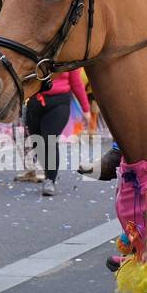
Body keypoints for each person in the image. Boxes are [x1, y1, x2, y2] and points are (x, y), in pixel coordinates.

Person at [25, 68, 90, 197]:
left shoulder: (67, 55)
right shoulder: (34, 53)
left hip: (59, 103)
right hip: (34, 101)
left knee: (49, 139)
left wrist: (86, 109)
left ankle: (50, 180)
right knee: (37, 142)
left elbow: (76, 82)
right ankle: (48, 171)